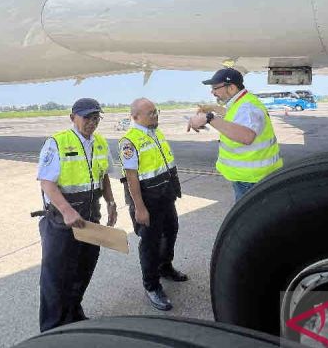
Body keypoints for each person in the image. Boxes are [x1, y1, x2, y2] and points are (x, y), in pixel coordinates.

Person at [36, 98, 118, 332]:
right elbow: (46, 182)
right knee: (56, 277)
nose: (92, 122)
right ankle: (52, 329)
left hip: (90, 218)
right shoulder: (57, 142)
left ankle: (73, 314)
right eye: (87, 117)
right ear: (73, 118)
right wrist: (67, 210)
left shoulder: (100, 143)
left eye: (96, 117)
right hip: (62, 222)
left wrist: (111, 202)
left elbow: (103, 176)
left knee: (83, 270)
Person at [119, 98, 187, 311]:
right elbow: (131, 177)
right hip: (148, 201)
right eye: (150, 113)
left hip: (165, 196)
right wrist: (139, 208)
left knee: (171, 231)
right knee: (150, 243)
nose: (155, 115)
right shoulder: (129, 142)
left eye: (156, 111)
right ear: (135, 117)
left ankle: (165, 267)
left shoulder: (156, 133)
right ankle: (152, 286)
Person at [187, 68, 283, 201]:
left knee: (249, 214)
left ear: (231, 87)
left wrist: (209, 118)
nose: (212, 92)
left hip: (251, 179)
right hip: (251, 176)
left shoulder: (247, 107)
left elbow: (247, 136)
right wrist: (213, 108)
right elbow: (236, 117)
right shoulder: (242, 102)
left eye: (215, 88)